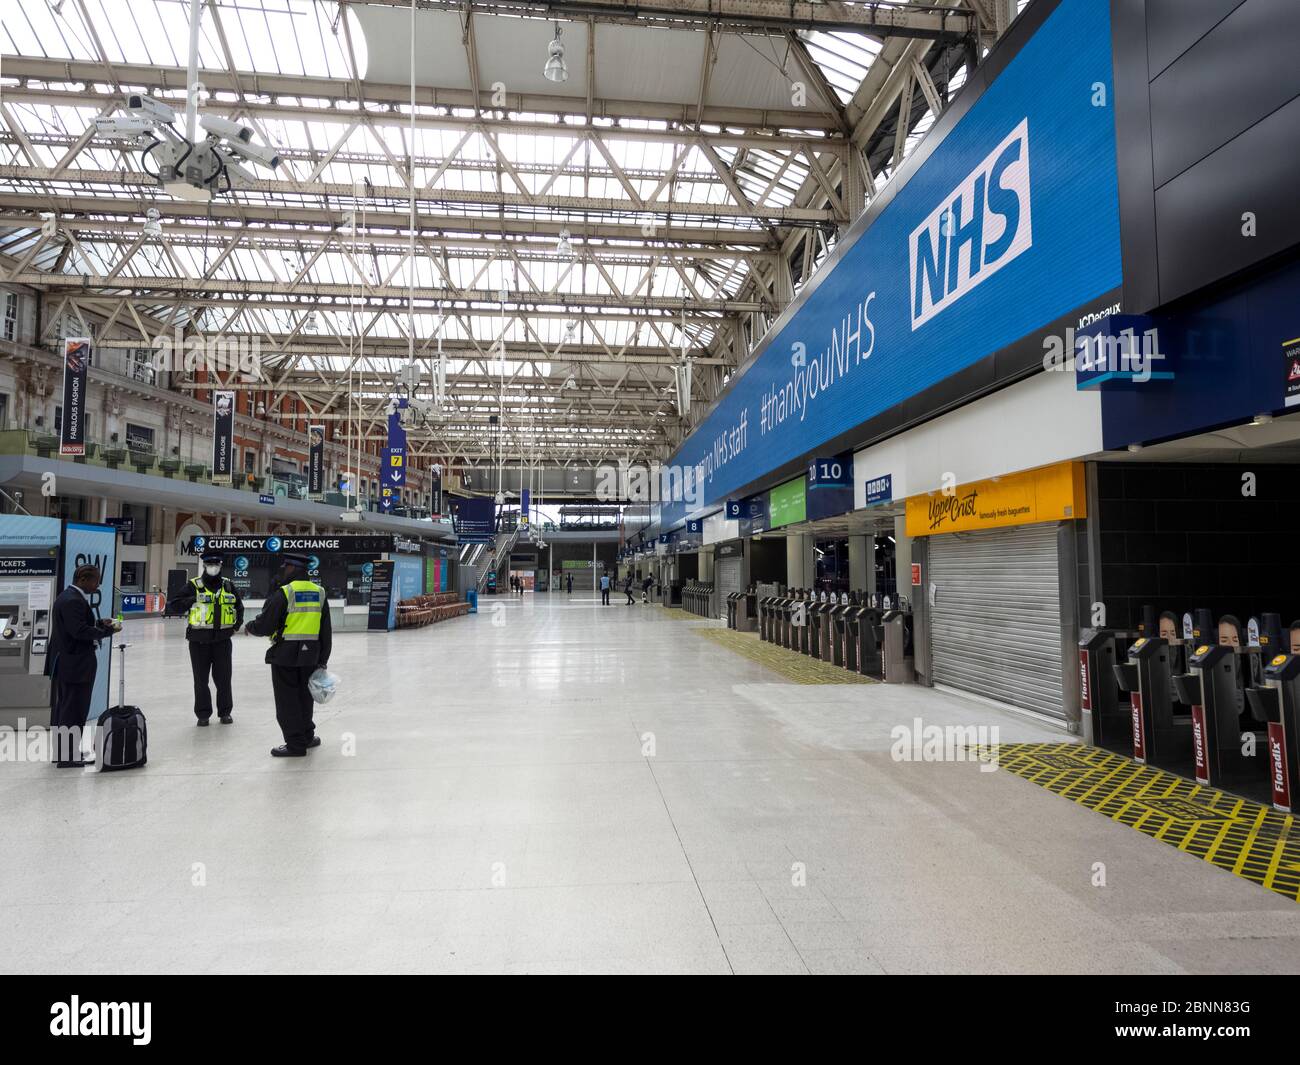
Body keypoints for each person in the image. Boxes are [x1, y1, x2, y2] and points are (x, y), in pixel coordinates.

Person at [243, 553, 332, 758]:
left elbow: (265, 625)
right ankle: (307, 736)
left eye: (285, 567)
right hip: (311, 655)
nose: (282, 570)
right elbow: (325, 631)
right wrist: (323, 660)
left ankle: (295, 744)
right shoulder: (319, 592)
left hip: (286, 655)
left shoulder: (285, 592)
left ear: (293, 569)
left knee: (287, 701)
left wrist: (250, 627)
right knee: (304, 698)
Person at [46, 565, 120, 767]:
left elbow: (75, 627)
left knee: (66, 707)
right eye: (95, 581)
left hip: (69, 662)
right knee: (74, 709)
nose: (97, 585)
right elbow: (78, 632)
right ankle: (67, 756)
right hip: (75, 664)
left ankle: (62, 752)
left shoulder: (68, 597)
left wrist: (97, 624)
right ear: (83, 579)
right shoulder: (72, 601)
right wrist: (107, 632)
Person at [167, 551, 244, 726]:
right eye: (210, 564)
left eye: (216, 564)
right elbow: (174, 605)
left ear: (220, 566)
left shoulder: (228, 586)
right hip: (198, 641)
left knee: (224, 679)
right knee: (201, 680)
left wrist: (235, 627)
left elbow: (239, 608)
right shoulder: (193, 585)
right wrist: (193, 599)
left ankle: (225, 713)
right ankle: (203, 714)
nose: (213, 567)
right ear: (204, 566)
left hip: (223, 641)